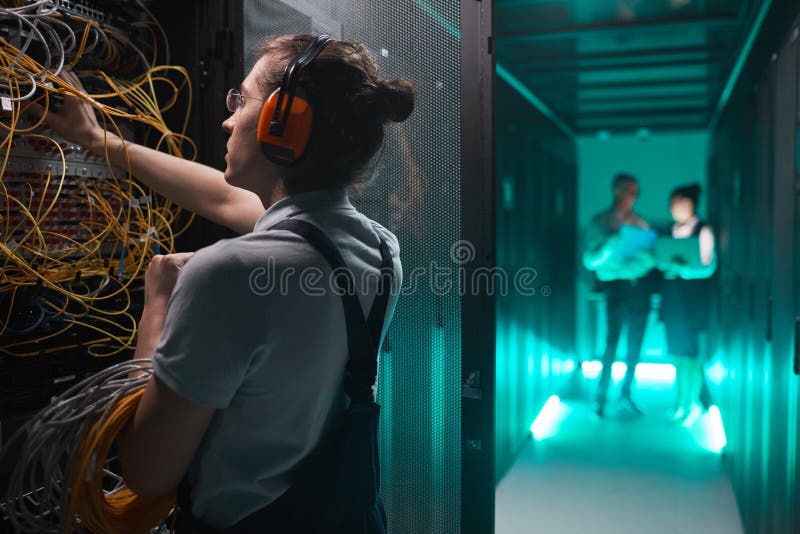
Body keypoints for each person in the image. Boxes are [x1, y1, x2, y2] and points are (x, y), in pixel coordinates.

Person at [34, 34, 413, 532]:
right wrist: (99, 141)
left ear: (284, 123)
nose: (227, 118)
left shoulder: (229, 273)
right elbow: (226, 199)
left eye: (241, 99)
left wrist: (158, 303)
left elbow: (147, 474)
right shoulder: (381, 251)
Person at [583, 173, 655, 418]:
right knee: (611, 343)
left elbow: (648, 260)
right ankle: (601, 396)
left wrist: (638, 261)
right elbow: (591, 261)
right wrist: (611, 244)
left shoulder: (640, 224)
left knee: (635, 344)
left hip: (638, 288)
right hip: (615, 289)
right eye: (628, 191)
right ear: (616, 190)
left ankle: (626, 393)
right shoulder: (600, 222)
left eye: (636, 193)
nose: (632, 197)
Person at [657, 184, 716, 424]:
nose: (674, 208)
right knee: (677, 356)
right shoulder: (670, 230)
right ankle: (680, 401)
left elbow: (708, 266)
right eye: (672, 204)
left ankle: (691, 403)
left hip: (692, 300)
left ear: (691, 205)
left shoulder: (703, 230)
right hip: (673, 299)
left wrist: (683, 269)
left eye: (678, 203)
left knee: (691, 356)